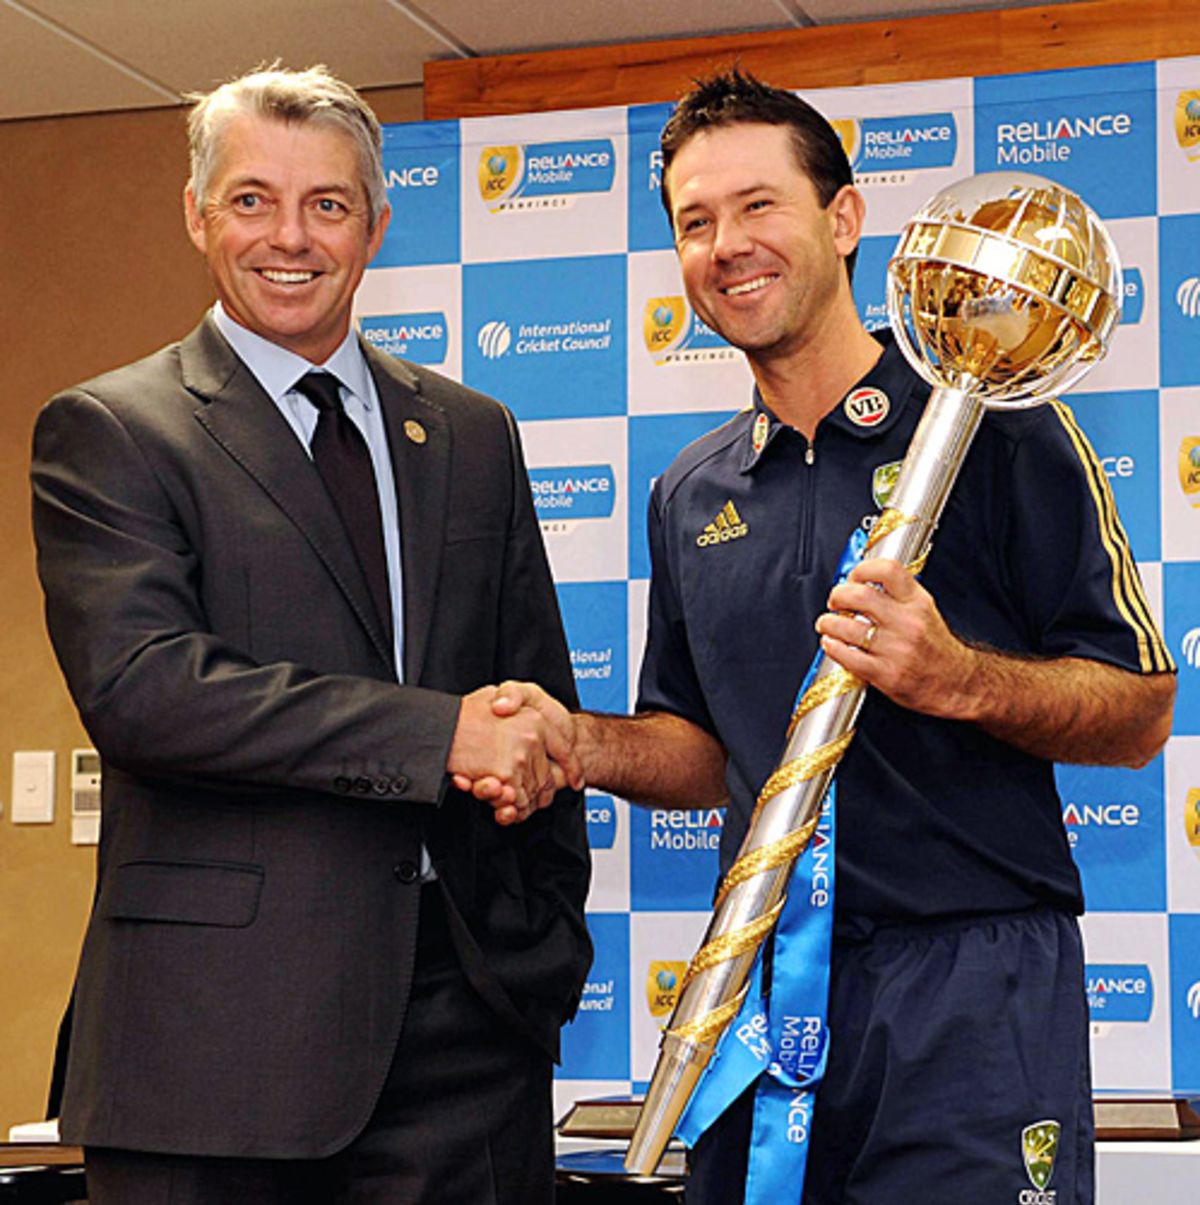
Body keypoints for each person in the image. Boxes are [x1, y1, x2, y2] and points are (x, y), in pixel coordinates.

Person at [468, 71, 1177, 1204]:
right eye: (695, 222)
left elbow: (1140, 708)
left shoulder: (999, 426)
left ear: (842, 221)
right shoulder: (691, 492)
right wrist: (582, 744)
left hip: (971, 985)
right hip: (756, 989)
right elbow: (702, 747)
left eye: (758, 206)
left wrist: (956, 677)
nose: (726, 245)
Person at [31, 65, 590, 1204]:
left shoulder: (473, 433)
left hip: (468, 1038)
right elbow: (147, 690)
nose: (290, 236)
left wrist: (539, 954)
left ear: (376, 226)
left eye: (327, 205)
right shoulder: (112, 430)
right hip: (213, 1051)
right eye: (251, 200)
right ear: (197, 215)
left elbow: (532, 697)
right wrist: (439, 737)